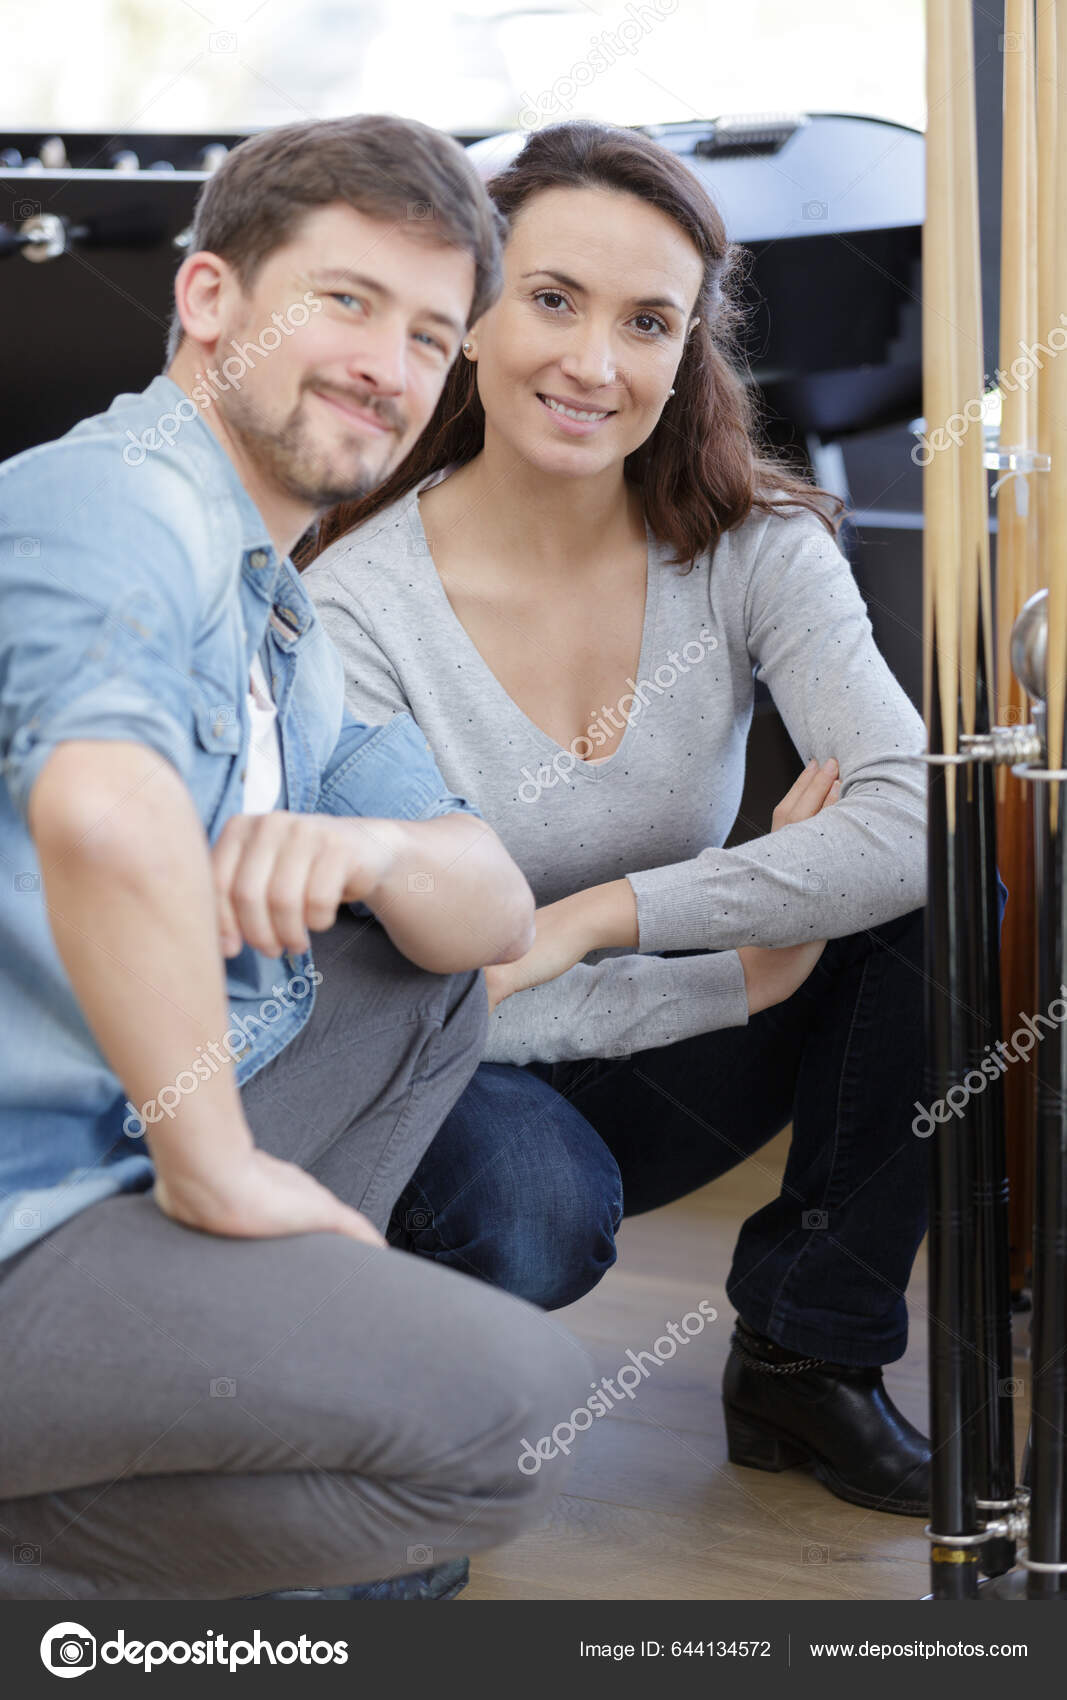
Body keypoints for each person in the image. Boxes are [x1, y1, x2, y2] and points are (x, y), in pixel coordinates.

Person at [300, 119, 1010, 1518]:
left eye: (647, 322)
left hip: (658, 1029)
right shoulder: (353, 609)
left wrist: (609, 923)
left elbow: (912, 817)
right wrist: (746, 956)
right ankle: (365, 1352)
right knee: (534, 1216)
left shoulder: (759, 550)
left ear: (690, 350)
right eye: (554, 300)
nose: (594, 365)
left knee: (948, 900)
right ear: (476, 308)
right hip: (447, 1069)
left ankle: (808, 1364)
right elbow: (424, 978)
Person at [0, 113, 593, 1603]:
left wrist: (362, 844)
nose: (386, 366)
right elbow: (100, 805)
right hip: (29, 1196)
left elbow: (493, 910)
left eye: (428, 333)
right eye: (343, 300)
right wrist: (216, 1177)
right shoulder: (117, 501)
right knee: (507, 1419)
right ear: (208, 301)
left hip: (100, 1169)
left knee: (414, 960)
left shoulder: (285, 624)